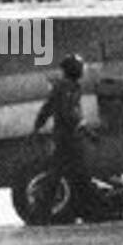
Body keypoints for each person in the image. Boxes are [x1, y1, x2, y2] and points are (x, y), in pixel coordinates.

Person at [32, 53, 96, 223]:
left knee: (61, 174)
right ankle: (88, 211)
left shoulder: (64, 86)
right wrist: (87, 131)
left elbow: (48, 108)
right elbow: (71, 113)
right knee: (77, 173)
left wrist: (38, 125)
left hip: (64, 136)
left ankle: (43, 212)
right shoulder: (68, 87)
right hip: (69, 138)